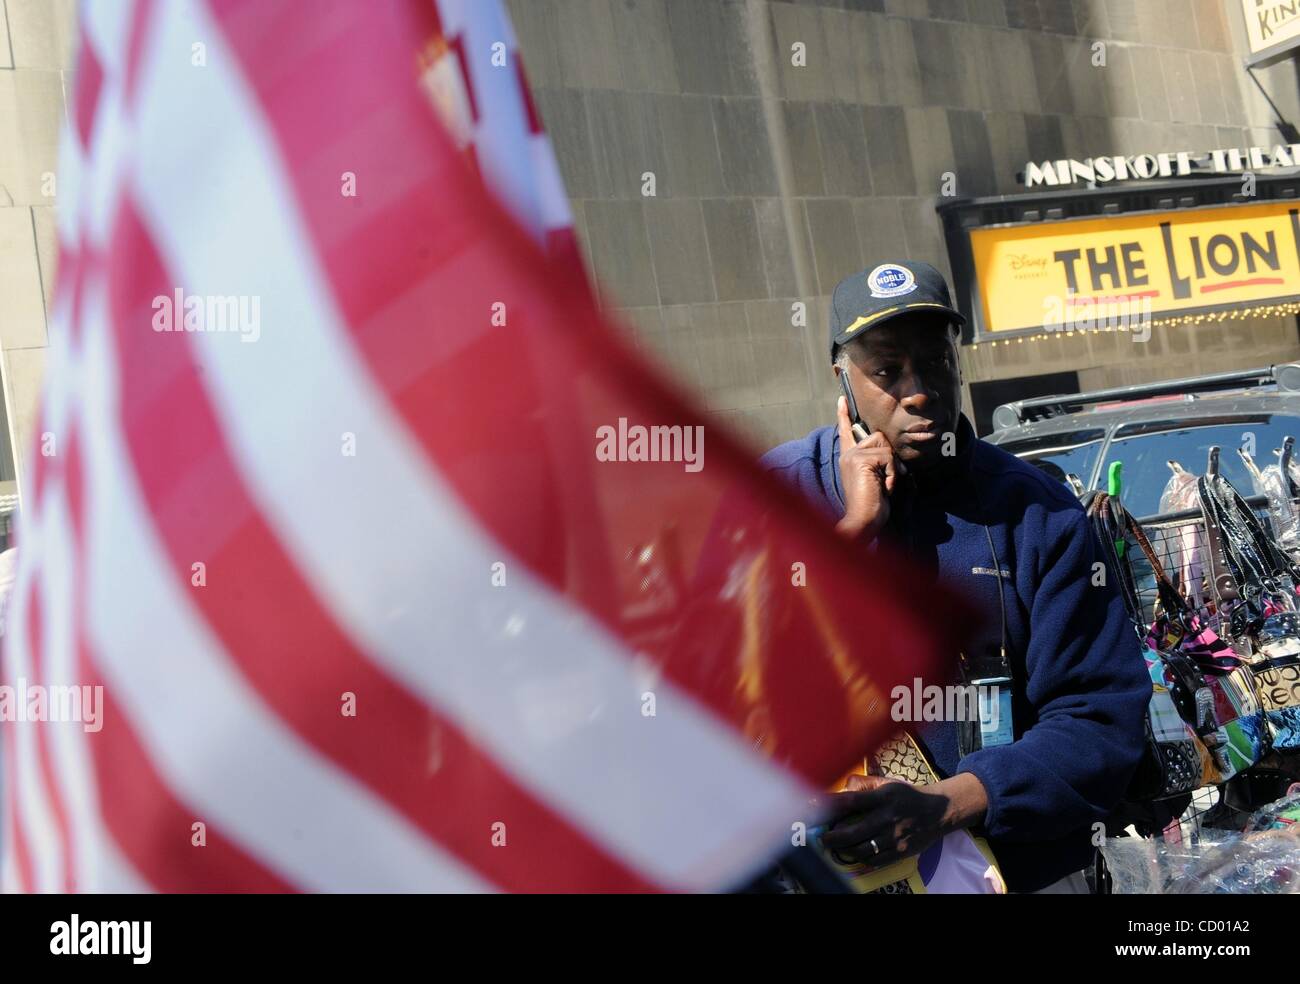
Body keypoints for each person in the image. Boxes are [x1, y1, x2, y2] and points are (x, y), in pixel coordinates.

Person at [760, 261, 1149, 893]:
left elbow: (1100, 716)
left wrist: (949, 806)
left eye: (935, 361)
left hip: (1020, 874)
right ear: (842, 376)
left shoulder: (1038, 511)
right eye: (887, 370)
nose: (917, 390)